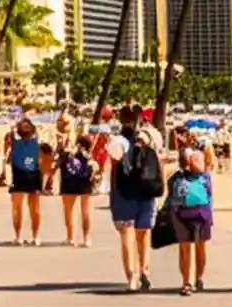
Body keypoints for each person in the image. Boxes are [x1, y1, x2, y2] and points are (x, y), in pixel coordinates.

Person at [107, 105, 162, 292]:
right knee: (144, 233)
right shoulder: (151, 136)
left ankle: (132, 277)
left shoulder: (117, 141)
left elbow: (113, 164)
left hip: (124, 193)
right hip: (146, 190)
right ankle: (145, 270)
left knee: (127, 234)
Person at [167, 149, 214, 296]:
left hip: (194, 213)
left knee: (193, 248)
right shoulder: (180, 177)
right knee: (190, 248)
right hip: (192, 213)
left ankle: (194, 279)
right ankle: (189, 280)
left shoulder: (202, 176)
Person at [6, 118, 43, 245]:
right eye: (23, 126)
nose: (25, 127)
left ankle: (36, 236)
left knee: (35, 208)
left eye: (28, 125)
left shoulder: (37, 141)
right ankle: (18, 236)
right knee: (17, 207)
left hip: (34, 174)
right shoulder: (15, 141)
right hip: (18, 174)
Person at [58, 135, 96, 247]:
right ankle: (86, 239)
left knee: (68, 210)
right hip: (84, 182)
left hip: (69, 183)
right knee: (86, 211)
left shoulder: (69, 153)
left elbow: (58, 164)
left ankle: (70, 237)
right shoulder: (88, 155)